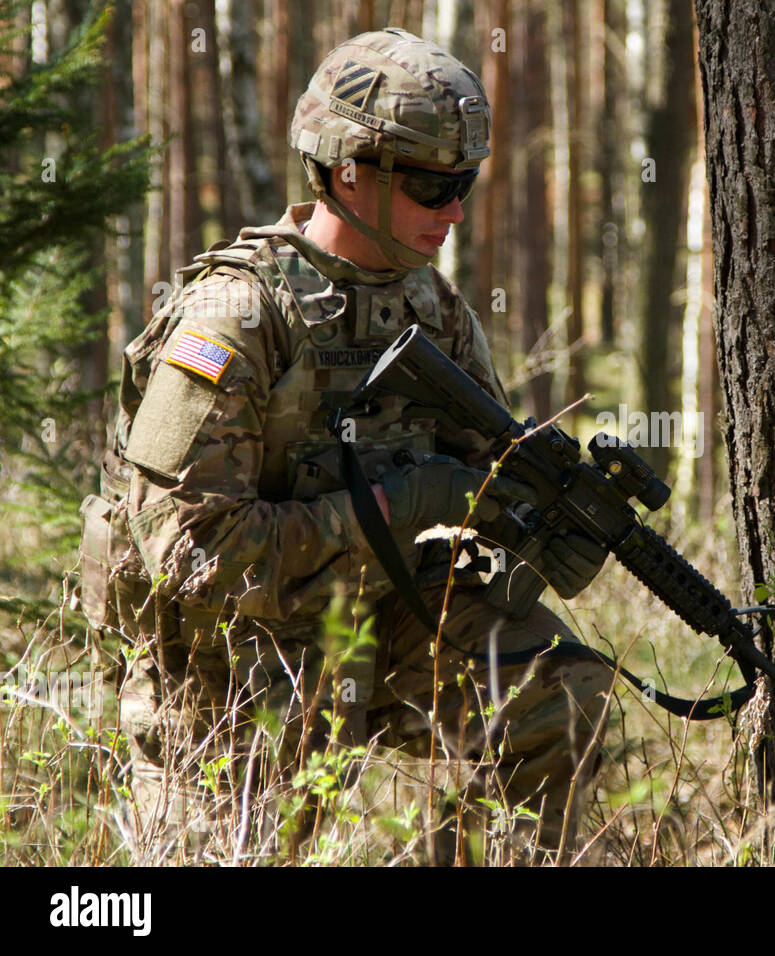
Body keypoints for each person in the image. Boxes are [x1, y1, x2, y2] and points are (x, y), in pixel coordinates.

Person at [77, 27, 612, 863]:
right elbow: (194, 552)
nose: (456, 210)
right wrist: (413, 502)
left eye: (465, 182)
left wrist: (543, 517)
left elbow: (485, 471)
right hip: (229, 669)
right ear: (348, 170)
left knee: (559, 693)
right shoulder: (236, 316)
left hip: (375, 626)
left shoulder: (433, 311)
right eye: (434, 185)